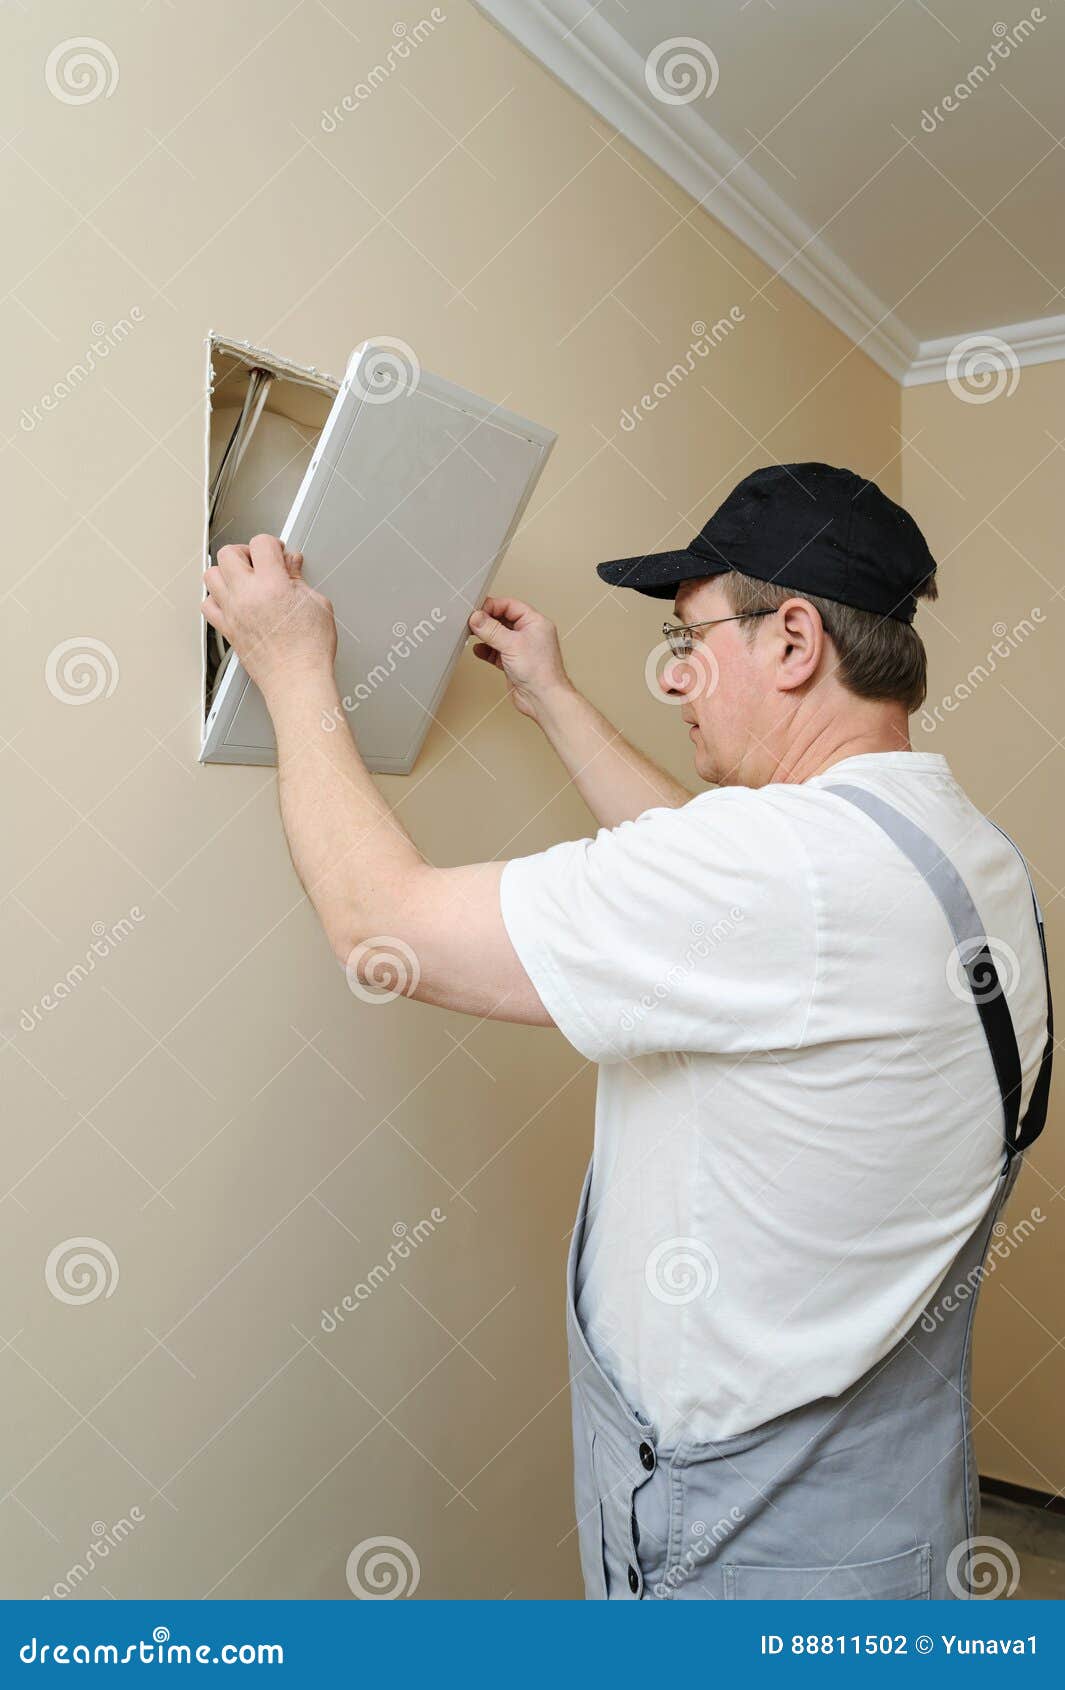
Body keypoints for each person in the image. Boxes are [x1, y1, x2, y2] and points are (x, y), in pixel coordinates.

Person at [202, 461, 1051, 1601]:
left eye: (688, 636)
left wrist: (291, 665)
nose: (676, 675)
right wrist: (553, 697)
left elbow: (382, 928)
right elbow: (729, 901)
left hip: (745, 1534)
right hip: (891, 1497)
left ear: (794, 640)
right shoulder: (963, 857)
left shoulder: (776, 874)